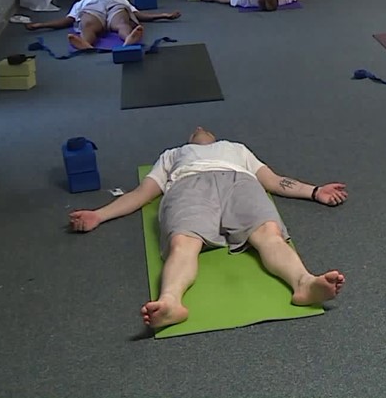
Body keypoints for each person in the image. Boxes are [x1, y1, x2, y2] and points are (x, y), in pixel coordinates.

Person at [68, 126, 348, 330]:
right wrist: (98, 215)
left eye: (205, 128)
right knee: (183, 242)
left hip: (239, 182)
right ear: (190, 140)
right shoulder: (173, 155)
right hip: (189, 185)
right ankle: (170, 303)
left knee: (269, 234)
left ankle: (304, 283)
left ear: (215, 137)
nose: (200, 128)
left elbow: (274, 181)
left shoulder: (237, 149)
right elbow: (142, 193)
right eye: (194, 130)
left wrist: (315, 191)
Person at [24, 0, 181, 50]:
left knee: (122, 24)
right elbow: (67, 20)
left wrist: (164, 15)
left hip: (117, 4)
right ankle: (85, 43)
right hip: (92, 7)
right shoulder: (82, 1)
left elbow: (139, 15)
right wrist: (41, 25)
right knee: (88, 25)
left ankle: (129, 39)